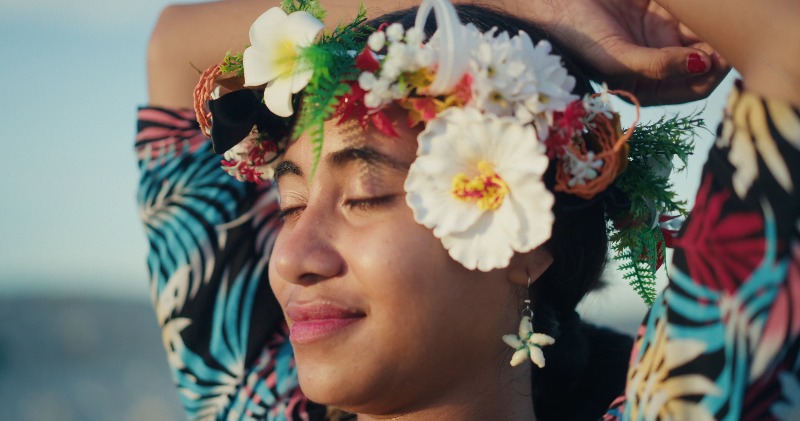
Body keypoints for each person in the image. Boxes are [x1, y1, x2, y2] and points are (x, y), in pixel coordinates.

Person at [136, 1, 800, 421]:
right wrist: (528, 9)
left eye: (367, 195)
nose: (292, 257)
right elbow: (175, 45)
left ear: (527, 234)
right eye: (290, 203)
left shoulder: (682, 400)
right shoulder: (259, 397)